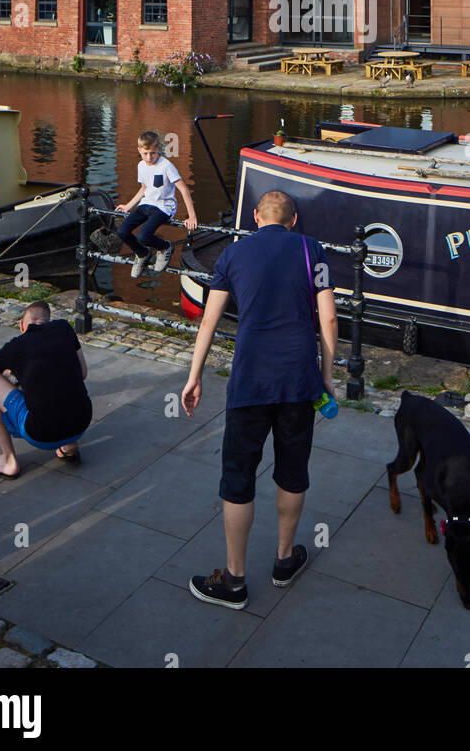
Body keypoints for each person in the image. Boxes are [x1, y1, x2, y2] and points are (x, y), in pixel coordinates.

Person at [181, 189, 338, 609]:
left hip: (249, 382)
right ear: (293, 219)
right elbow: (328, 316)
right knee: (292, 470)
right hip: (298, 381)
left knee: (238, 478)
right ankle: (284, 561)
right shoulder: (313, 250)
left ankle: (233, 581)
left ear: (255, 217)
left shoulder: (233, 255)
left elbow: (209, 319)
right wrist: (325, 376)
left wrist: (194, 377)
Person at [0, 301, 92, 479]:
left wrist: (11, 374)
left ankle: (8, 460)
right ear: (48, 322)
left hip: (40, 434)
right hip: (82, 423)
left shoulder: (14, 347)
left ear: (21, 325)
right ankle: (70, 446)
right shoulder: (63, 328)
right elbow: (83, 373)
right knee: (63, 381)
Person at [116, 130, 198, 277]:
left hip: (164, 207)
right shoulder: (141, 165)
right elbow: (144, 188)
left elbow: (184, 190)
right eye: (145, 153)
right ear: (139, 150)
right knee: (122, 231)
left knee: (143, 236)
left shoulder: (166, 166)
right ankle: (142, 254)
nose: (149, 157)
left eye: (153, 153)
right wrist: (129, 205)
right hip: (146, 203)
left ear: (158, 149)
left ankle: (165, 247)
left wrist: (191, 216)